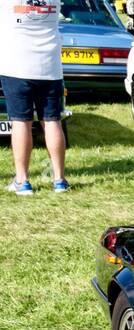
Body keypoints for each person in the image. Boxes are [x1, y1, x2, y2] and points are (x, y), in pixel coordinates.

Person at [0, 0, 69, 196]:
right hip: (50, 66)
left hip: (16, 65)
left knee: (21, 121)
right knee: (52, 121)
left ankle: (22, 181)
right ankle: (59, 180)